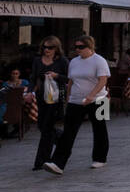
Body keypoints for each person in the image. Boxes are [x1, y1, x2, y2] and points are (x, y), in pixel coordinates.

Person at [42, 35, 110, 175]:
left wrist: (91, 96)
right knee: (68, 132)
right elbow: (71, 80)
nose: (78, 50)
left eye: (81, 47)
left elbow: (103, 81)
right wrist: (68, 98)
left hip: (99, 100)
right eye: (76, 47)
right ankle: (58, 163)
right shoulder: (73, 61)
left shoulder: (100, 61)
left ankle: (100, 158)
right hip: (76, 101)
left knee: (100, 129)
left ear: (90, 47)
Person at [30, 36, 69, 171]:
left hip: (56, 97)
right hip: (41, 97)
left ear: (56, 48)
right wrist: (30, 92)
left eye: (50, 47)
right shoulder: (37, 61)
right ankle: (61, 141)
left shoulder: (62, 61)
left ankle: (41, 161)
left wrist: (56, 76)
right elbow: (33, 78)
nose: (47, 50)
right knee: (42, 125)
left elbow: (69, 78)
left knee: (46, 128)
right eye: (45, 47)